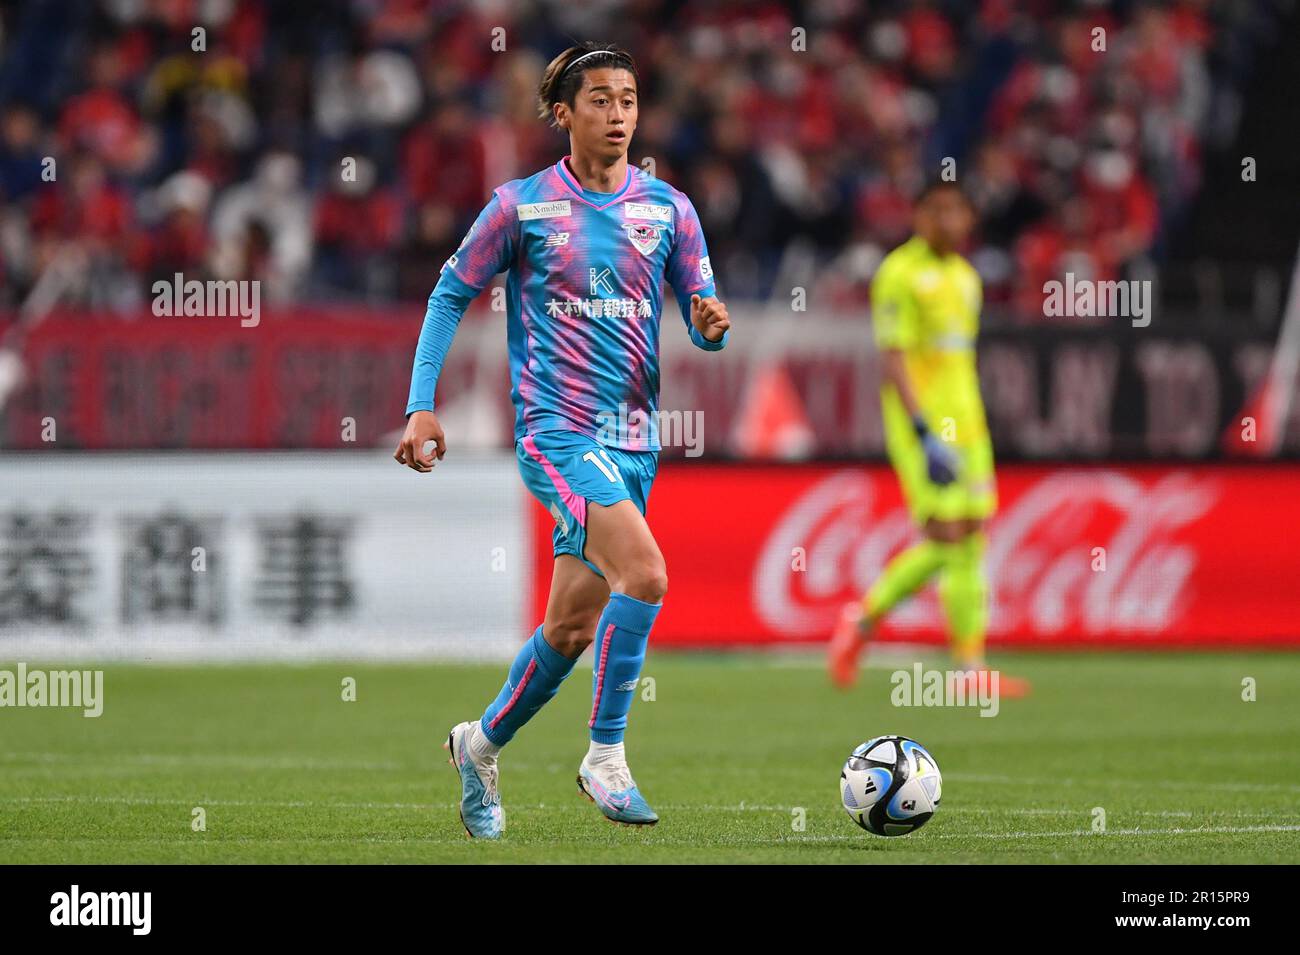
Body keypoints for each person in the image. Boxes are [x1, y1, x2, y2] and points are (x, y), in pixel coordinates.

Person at [395, 43, 731, 838]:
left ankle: (477, 744)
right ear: (564, 115)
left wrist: (711, 326)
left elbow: (702, 310)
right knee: (644, 573)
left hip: (636, 440)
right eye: (601, 101)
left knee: (571, 628)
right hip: (557, 432)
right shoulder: (522, 207)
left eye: (628, 100)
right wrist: (421, 405)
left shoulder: (669, 210)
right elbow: (451, 293)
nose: (618, 115)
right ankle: (605, 755)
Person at [828, 178, 1028, 697]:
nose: (947, 222)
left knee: (972, 538)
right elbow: (893, 358)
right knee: (946, 536)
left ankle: (968, 666)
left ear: (970, 220)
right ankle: (862, 620)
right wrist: (922, 431)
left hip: (968, 422)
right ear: (917, 216)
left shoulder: (967, 277)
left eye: (956, 212)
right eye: (936, 211)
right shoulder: (899, 274)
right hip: (924, 426)